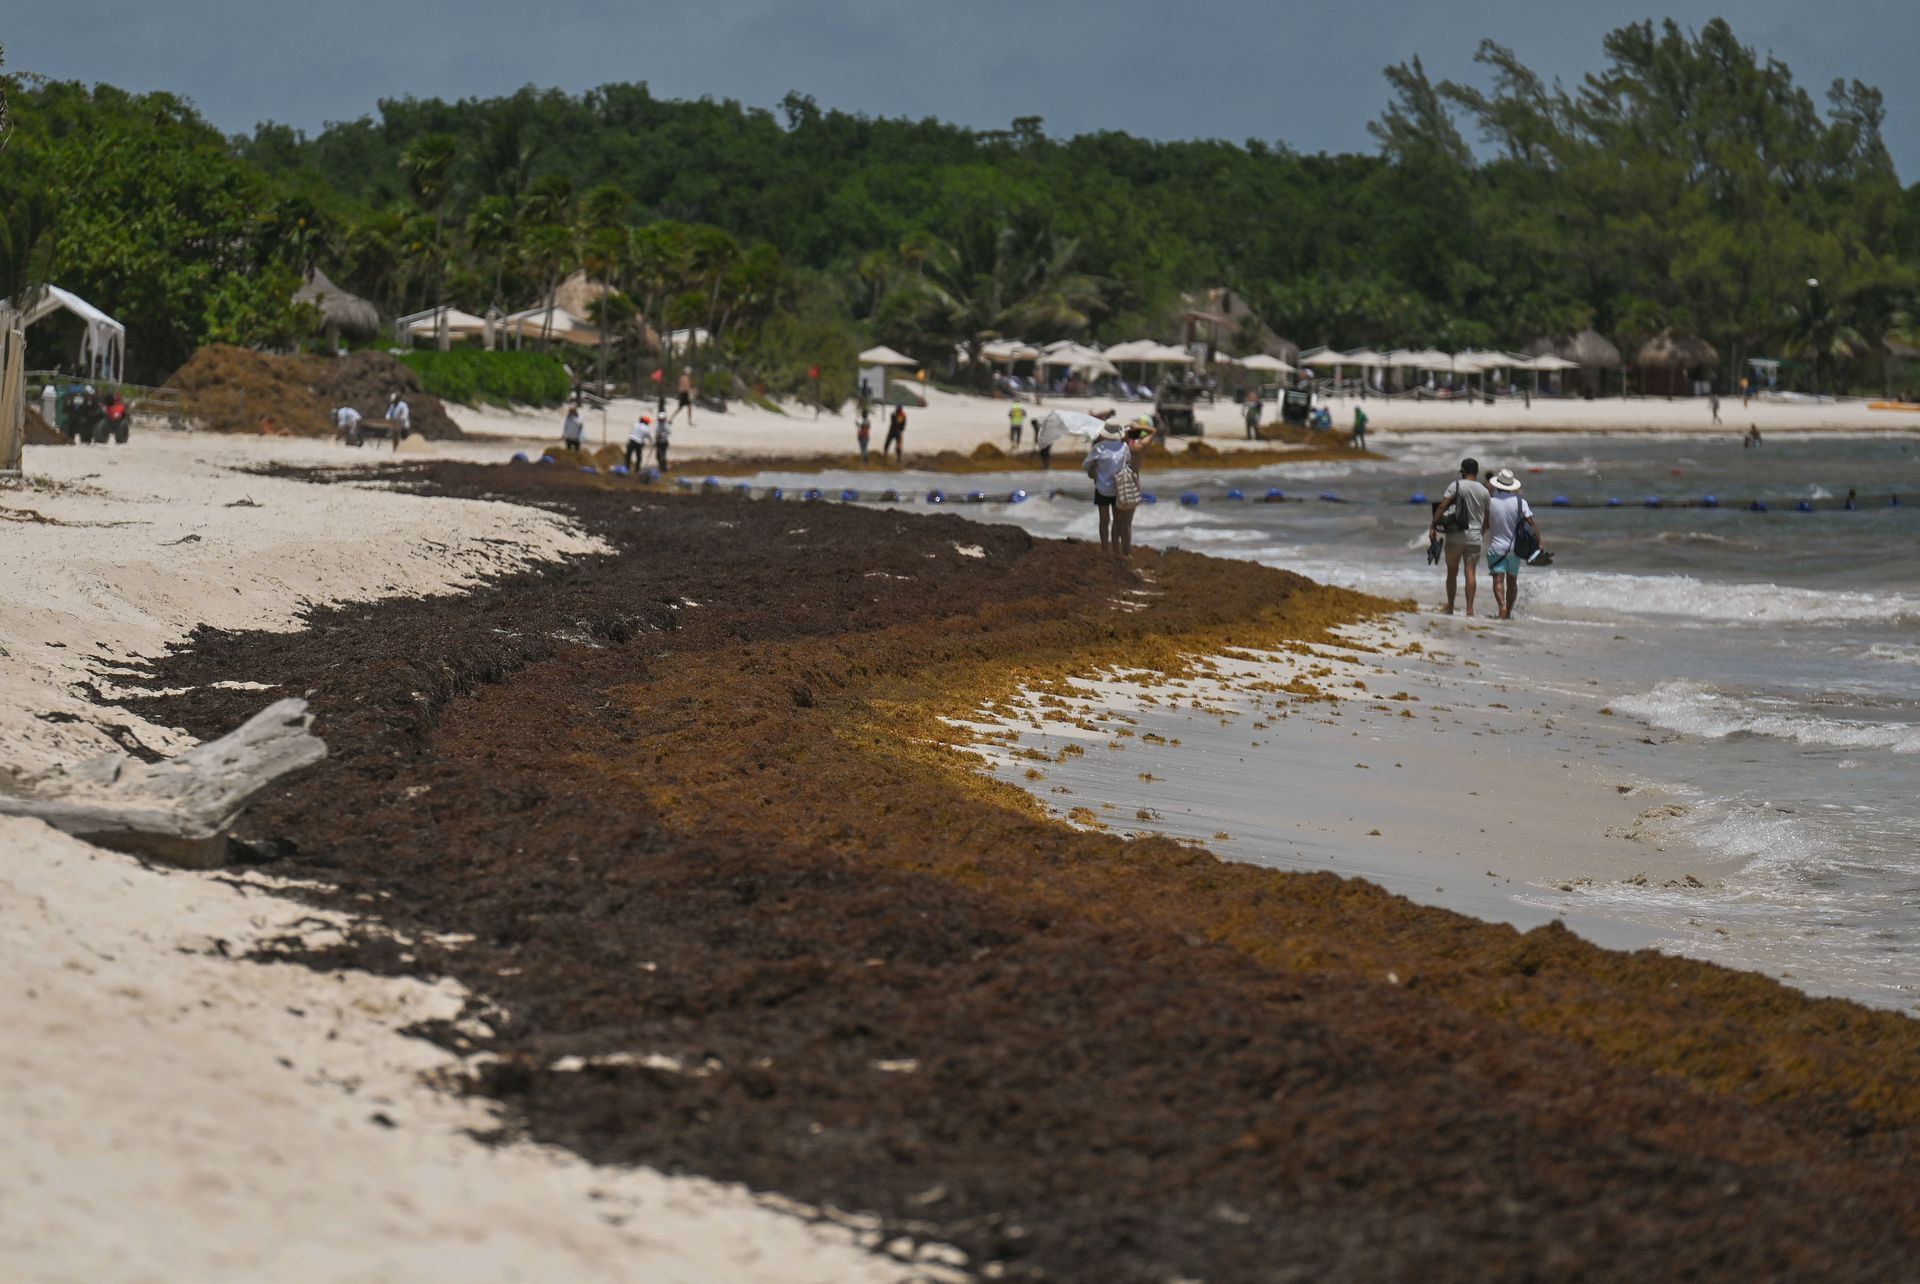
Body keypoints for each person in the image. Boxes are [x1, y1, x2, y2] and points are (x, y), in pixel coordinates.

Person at [1427, 458, 1490, 616]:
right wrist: (1480, 533)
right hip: (1474, 536)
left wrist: (1433, 525)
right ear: (1476, 472)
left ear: (1462, 471)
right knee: (1470, 572)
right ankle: (1469, 609)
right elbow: (1487, 520)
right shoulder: (1484, 491)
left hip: (1455, 536)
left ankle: (1451, 607)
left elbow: (1442, 506)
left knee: (1452, 572)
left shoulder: (1456, 486)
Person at [1485, 468, 1542, 620]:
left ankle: (1502, 606)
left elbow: (1485, 524)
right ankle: (1508, 611)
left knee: (1498, 580)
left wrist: (1478, 535)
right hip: (1514, 549)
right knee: (1512, 582)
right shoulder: (1519, 502)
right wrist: (1539, 542)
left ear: (1497, 485)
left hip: (1496, 547)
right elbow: (1532, 524)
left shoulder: (1490, 502)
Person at [1083, 417, 1133, 559]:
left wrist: (1095, 469)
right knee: (1117, 521)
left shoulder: (1099, 447)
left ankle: (1105, 549)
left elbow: (1086, 465)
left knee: (1104, 520)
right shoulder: (1124, 447)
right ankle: (1116, 551)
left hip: (1101, 488)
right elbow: (1128, 462)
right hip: (1118, 488)